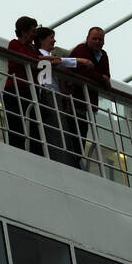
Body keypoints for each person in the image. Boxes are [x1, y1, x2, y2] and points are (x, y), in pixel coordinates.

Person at [32, 26, 89, 169]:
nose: (54, 40)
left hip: (53, 96)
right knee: (54, 129)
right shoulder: (39, 54)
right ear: (41, 40)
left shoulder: (47, 56)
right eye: (51, 37)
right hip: (48, 95)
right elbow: (52, 61)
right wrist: (79, 61)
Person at [66, 26, 109, 166]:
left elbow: (107, 76)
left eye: (100, 39)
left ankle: (75, 161)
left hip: (87, 105)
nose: (98, 41)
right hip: (74, 101)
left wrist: (100, 77)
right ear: (87, 39)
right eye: (94, 38)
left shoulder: (103, 55)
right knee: (73, 134)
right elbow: (82, 72)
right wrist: (100, 77)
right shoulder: (80, 50)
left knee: (80, 136)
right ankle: (72, 162)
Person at [3, 16, 41, 154]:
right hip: (16, 88)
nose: (34, 34)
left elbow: (37, 61)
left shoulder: (32, 48)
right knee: (16, 124)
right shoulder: (15, 44)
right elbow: (30, 61)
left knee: (33, 125)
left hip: (28, 89)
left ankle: (32, 153)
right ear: (24, 31)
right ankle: (17, 152)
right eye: (32, 31)